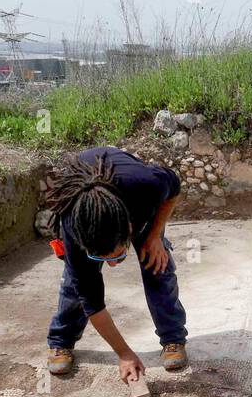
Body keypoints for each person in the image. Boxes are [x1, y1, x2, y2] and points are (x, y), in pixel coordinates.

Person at [42, 147, 188, 380]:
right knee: (77, 282)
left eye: (118, 256)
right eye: (102, 258)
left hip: (130, 197)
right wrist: (124, 354)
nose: (111, 266)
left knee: (157, 264)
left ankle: (173, 338)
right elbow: (92, 302)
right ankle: (61, 341)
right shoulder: (74, 225)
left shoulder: (146, 186)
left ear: (130, 230)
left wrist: (154, 235)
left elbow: (174, 186)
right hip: (83, 202)